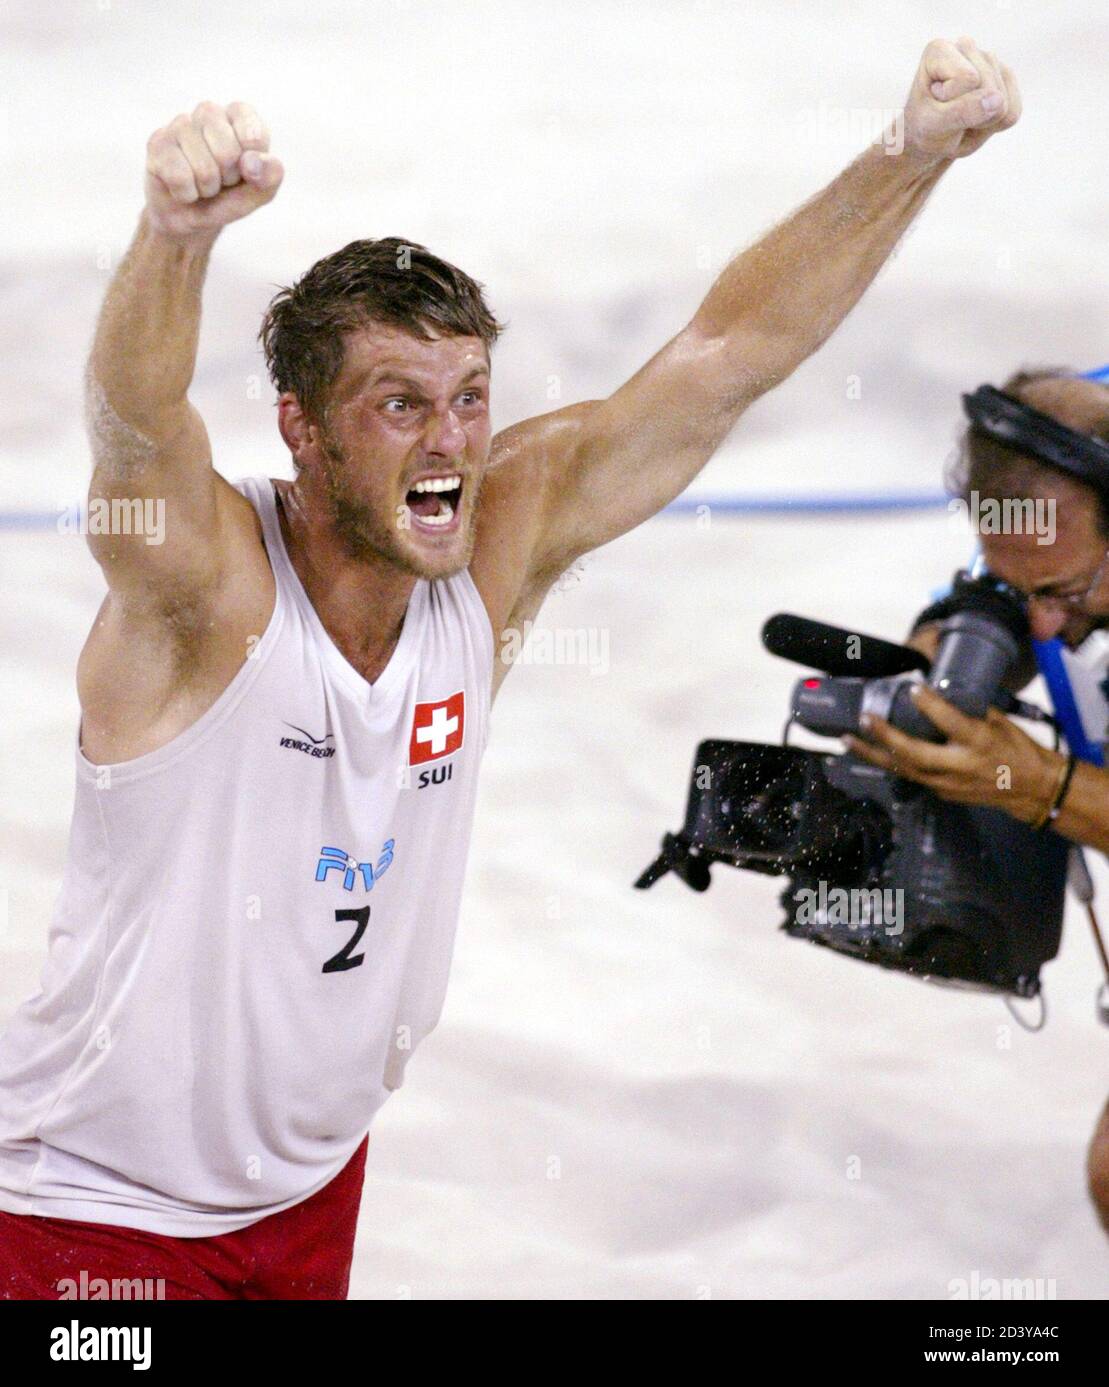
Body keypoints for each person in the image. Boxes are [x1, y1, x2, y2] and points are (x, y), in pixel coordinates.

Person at [0, 38, 1021, 1299]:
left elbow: (724, 355)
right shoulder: (206, 591)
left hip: (310, 1194)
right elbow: (134, 430)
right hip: (93, 1222)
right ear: (302, 430)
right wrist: (172, 237)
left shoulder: (493, 549)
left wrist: (904, 158)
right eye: (399, 404)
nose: (451, 442)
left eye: (469, 396)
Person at [844, 367, 1109, 1234]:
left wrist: (1039, 786)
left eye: (1062, 594)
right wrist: (935, 673)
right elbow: (993, 600)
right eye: (1019, 587)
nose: (1043, 623)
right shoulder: (1052, 492)